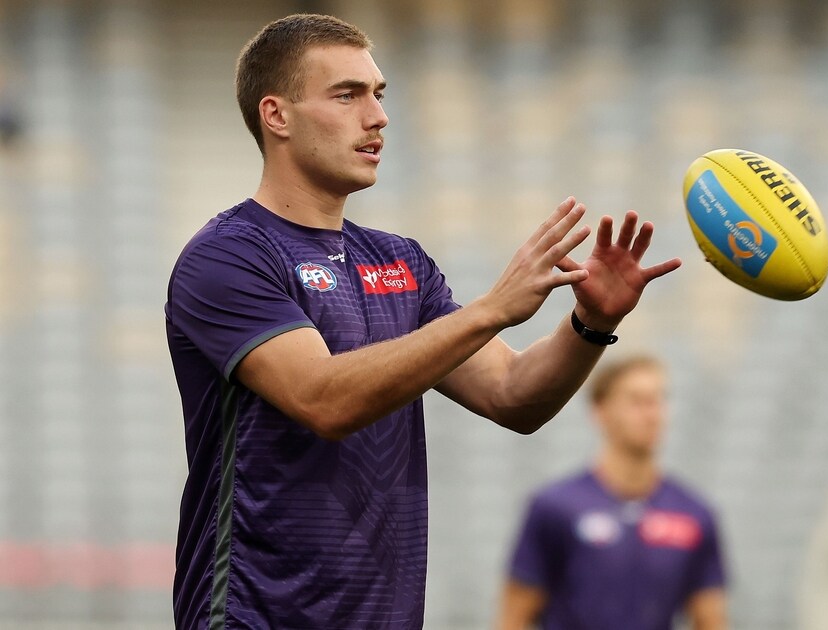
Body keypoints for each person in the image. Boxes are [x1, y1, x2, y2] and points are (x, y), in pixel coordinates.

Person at [164, 14, 680, 629]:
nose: (377, 117)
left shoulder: (400, 262)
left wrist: (588, 324)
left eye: (378, 95)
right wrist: (491, 310)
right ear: (276, 116)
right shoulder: (230, 254)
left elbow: (512, 395)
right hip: (257, 615)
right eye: (347, 95)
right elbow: (321, 398)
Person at [497, 356, 727, 630]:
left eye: (659, 400)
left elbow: (711, 620)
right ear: (600, 411)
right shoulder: (554, 507)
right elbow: (513, 619)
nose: (652, 413)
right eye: (637, 401)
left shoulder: (692, 514)